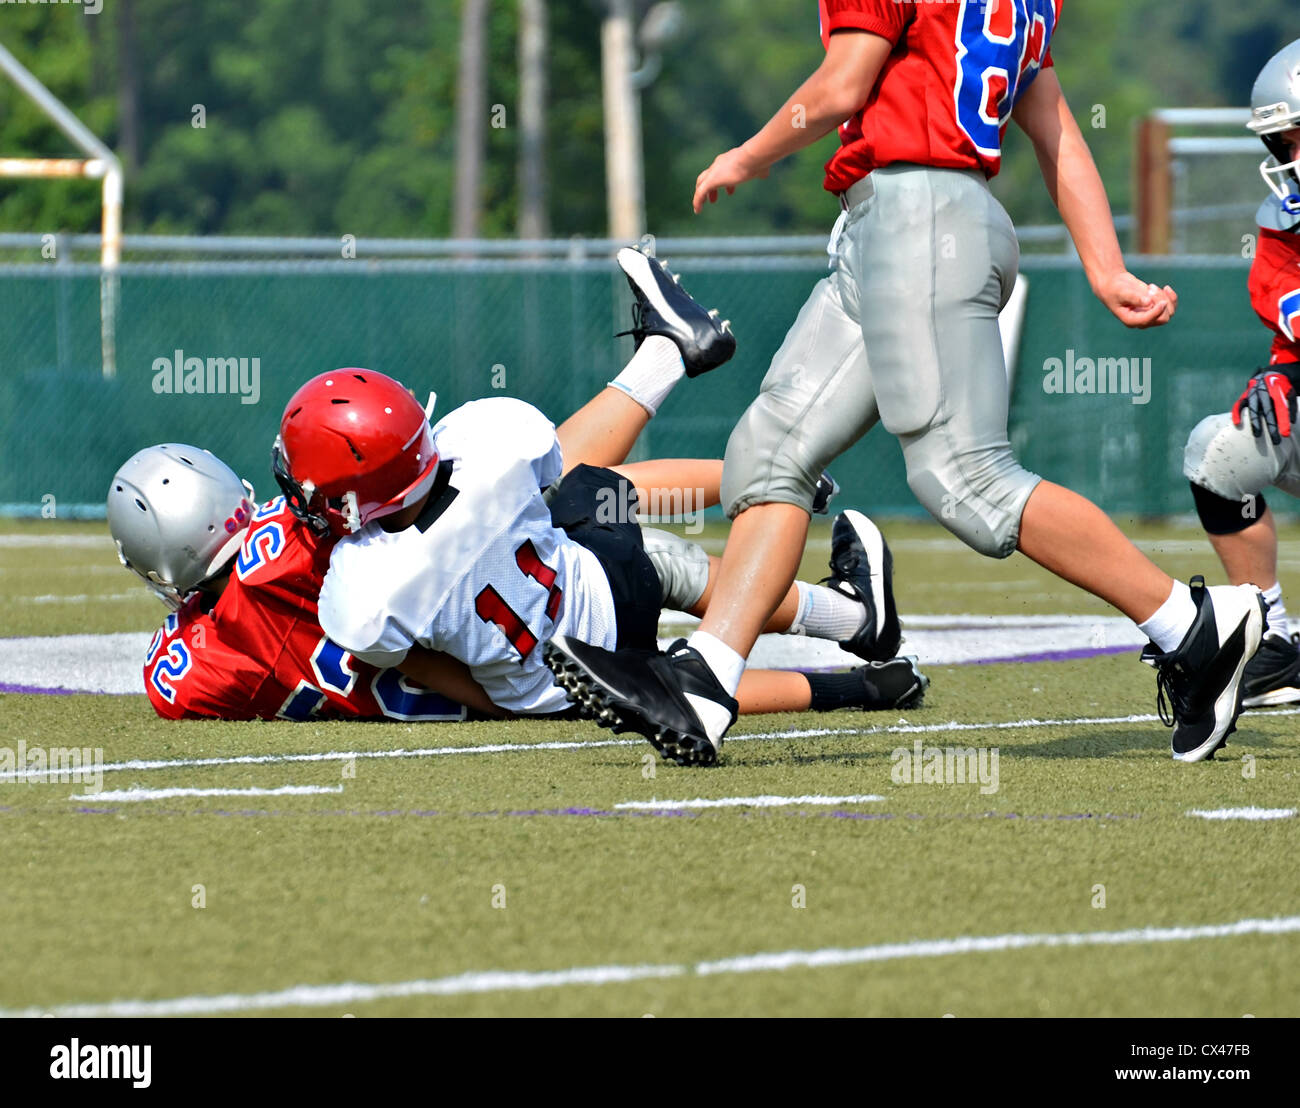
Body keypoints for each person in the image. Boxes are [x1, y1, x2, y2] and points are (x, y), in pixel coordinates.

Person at [542, 0, 1266, 766]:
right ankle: (707, 681)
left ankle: (1192, 626)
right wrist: (1106, 267)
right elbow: (1056, 131)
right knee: (771, 453)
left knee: (969, 478)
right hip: (897, 224)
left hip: (918, 221)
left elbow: (841, 87)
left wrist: (745, 157)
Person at [112, 251, 925, 722]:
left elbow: (415, 666)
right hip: (594, 573)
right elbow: (544, 472)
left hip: (537, 670)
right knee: (595, 493)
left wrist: (502, 704)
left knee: (690, 666)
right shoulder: (479, 438)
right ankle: (732, 430)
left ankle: (862, 676)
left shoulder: (344, 597)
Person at [1182, 39, 1300, 709]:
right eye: (1281, 144)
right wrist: (1285, 375)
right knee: (1217, 451)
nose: (1286, 160)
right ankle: (1275, 647)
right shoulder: (1284, 231)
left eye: (1293, 139)